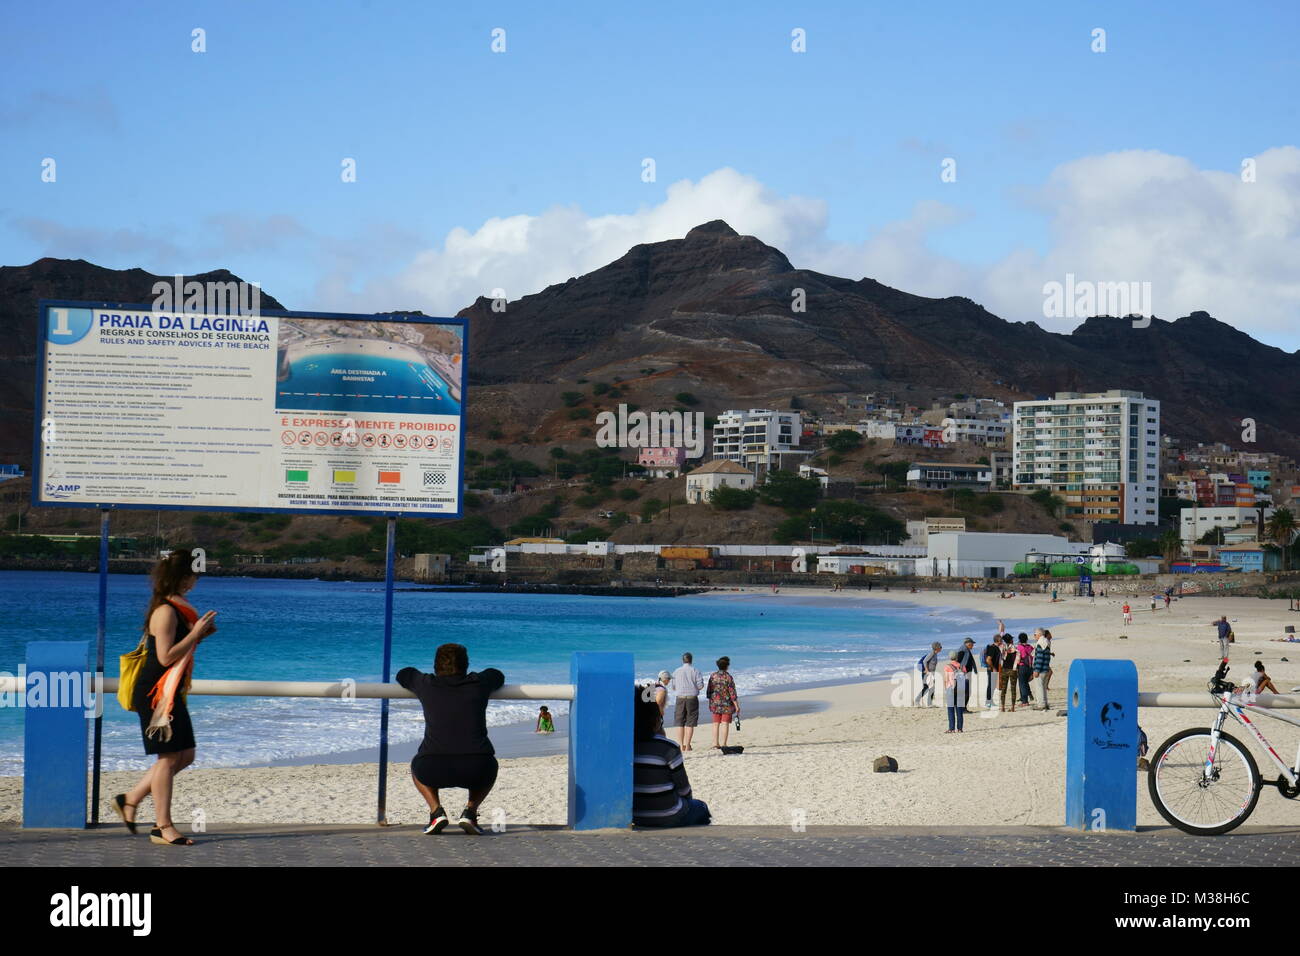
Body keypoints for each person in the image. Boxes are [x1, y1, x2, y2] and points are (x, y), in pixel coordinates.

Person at [114, 548, 218, 847]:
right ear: (183, 577)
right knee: (169, 757)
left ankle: (130, 798)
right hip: (157, 692)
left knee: (185, 754)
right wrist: (195, 633)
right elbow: (165, 656)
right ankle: (162, 826)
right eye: (193, 575)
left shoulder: (176, 608)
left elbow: (177, 648)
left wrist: (199, 633)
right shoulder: (165, 611)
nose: (195, 581)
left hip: (170, 690)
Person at [396, 642, 504, 836]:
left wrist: (422, 676)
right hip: (477, 768)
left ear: (436, 665)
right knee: (492, 764)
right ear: (466, 665)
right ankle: (470, 812)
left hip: (432, 768)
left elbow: (403, 673)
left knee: (415, 764)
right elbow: (497, 675)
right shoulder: (479, 684)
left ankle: (436, 811)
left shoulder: (425, 684)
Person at [632, 688, 711, 827]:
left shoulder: (626, 747)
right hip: (669, 814)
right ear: (657, 719)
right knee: (701, 807)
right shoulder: (668, 748)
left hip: (636, 816)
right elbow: (684, 790)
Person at [668, 652, 706, 751]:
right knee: (690, 722)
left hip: (680, 698)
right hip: (692, 698)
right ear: (691, 660)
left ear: (682, 660)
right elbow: (700, 686)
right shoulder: (695, 670)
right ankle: (688, 745)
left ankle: (681, 745)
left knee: (679, 722)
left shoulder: (676, 671)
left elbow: (673, 687)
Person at [707, 657, 740, 748]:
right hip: (727, 704)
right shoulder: (728, 677)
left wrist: (711, 701)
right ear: (727, 666)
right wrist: (737, 705)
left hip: (715, 703)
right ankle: (724, 743)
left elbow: (708, 691)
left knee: (715, 723)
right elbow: (732, 693)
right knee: (725, 723)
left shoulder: (713, 676)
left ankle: (715, 743)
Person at [942, 651, 967, 733]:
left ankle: (951, 729)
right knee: (959, 709)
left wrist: (946, 689)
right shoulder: (962, 666)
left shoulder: (947, 667)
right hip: (960, 689)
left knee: (950, 709)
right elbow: (964, 676)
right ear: (957, 657)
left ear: (950, 657)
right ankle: (960, 729)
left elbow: (946, 679)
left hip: (951, 688)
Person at [955, 638, 979, 714]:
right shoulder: (962, 650)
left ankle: (963, 708)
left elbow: (971, 660)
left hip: (967, 673)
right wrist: (962, 671)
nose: (973, 646)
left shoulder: (966, 649)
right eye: (972, 644)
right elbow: (958, 661)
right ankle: (963, 709)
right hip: (964, 673)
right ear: (968, 643)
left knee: (966, 691)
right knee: (966, 691)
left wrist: (974, 669)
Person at [915, 641, 942, 707]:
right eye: (940, 646)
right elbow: (924, 661)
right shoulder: (931, 654)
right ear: (937, 648)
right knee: (926, 687)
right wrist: (926, 670)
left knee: (932, 688)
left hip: (931, 673)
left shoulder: (935, 654)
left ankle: (929, 703)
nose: (941, 648)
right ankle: (917, 701)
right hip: (927, 673)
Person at [1032, 629, 1053, 711]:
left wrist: (1036, 670)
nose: (1034, 636)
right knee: (1043, 687)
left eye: (1035, 634)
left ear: (1039, 634)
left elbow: (1040, 658)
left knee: (1039, 687)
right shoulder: (1047, 642)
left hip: (1040, 669)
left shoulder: (1040, 643)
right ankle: (1045, 704)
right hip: (1046, 668)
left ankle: (1041, 705)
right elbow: (1046, 657)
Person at [998, 637, 1020, 711]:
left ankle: (1002, 707)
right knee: (1013, 689)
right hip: (1013, 670)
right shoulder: (1016, 649)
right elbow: (1018, 660)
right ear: (1011, 640)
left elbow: (1000, 658)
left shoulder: (1003, 648)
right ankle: (1013, 707)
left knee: (1003, 689)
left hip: (1004, 670)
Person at [983, 633, 1003, 709]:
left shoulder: (996, 647)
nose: (1002, 641)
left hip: (995, 669)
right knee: (991, 685)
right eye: (1001, 640)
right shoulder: (992, 648)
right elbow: (988, 660)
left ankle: (990, 701)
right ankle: (988, 702)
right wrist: (993, 668)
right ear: (998, 640)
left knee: (993, 686)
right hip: (991, 670)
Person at [1015, 632, 1035, 705]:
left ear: (1019, 639)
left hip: (1022, 667)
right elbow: (1034, 656)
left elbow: (1017, 659)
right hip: (1030, 667)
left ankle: (1025, 701)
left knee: (1022, 684)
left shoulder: (1019, 647)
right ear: (1027, 639)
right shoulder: (1030, 647)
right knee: (1025, 683)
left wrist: (1015, 668)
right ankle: (1028, 696)